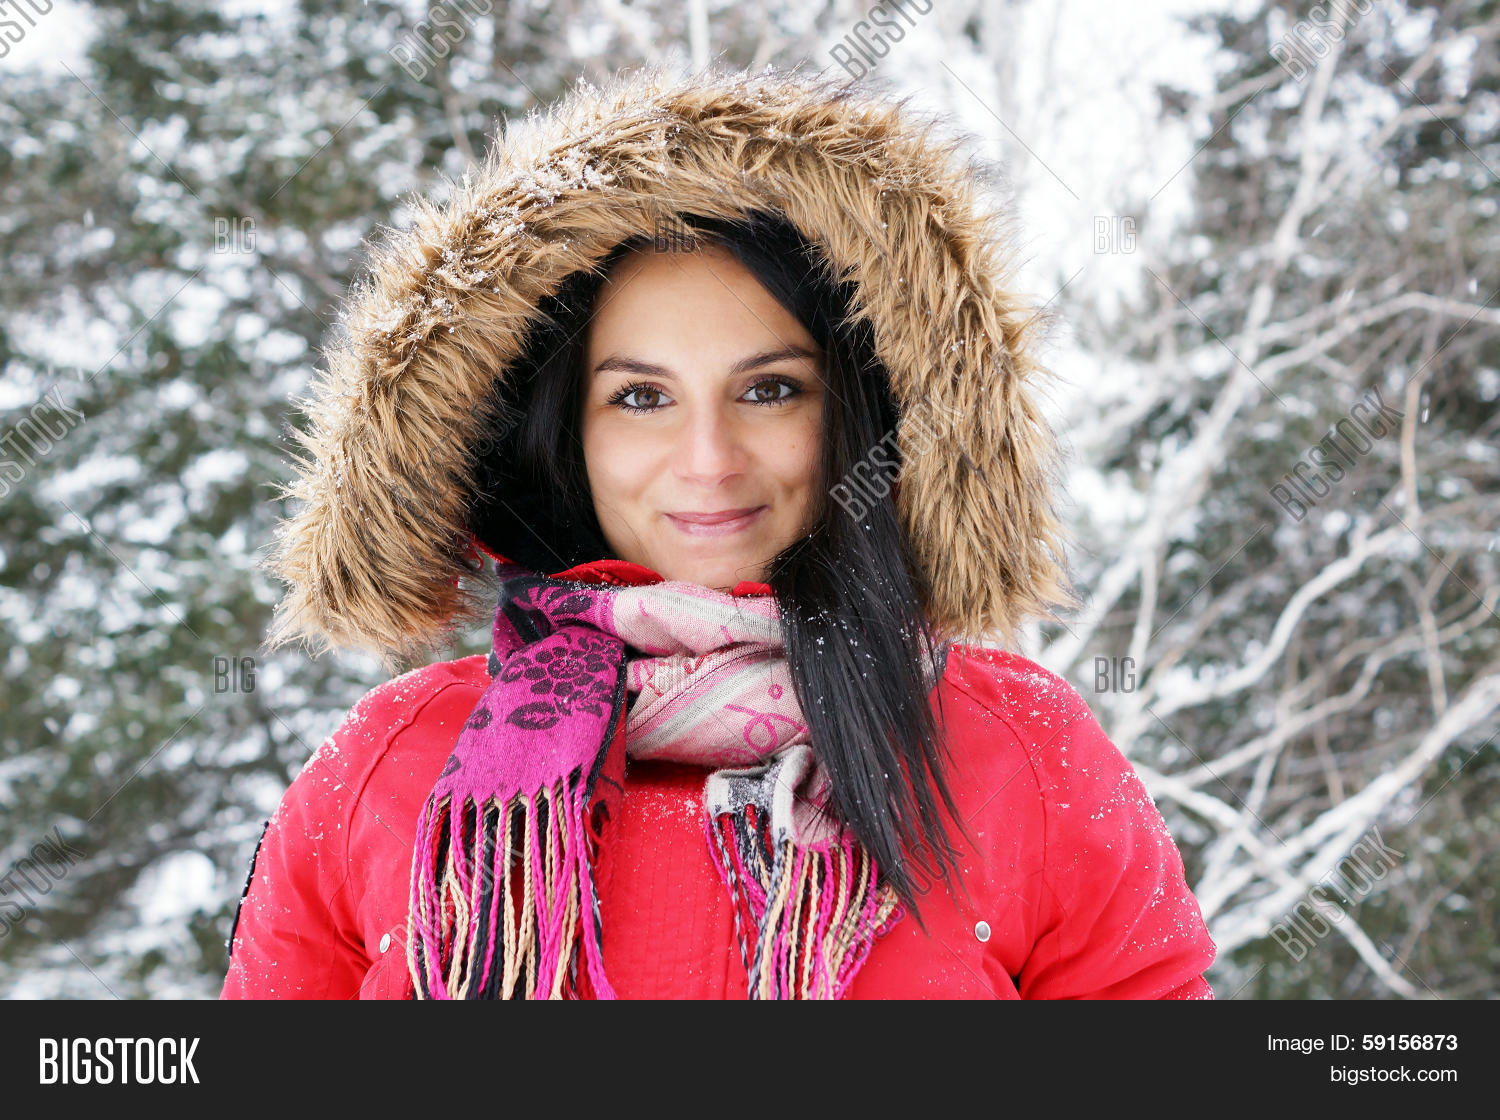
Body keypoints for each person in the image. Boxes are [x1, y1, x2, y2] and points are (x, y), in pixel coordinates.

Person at [223, 66, 1217, 999]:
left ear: (859, 419)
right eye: (642, 396)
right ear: (562, 430)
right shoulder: (384, 763)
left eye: (771, 389)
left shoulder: (1023, 754)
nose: (708, 458)